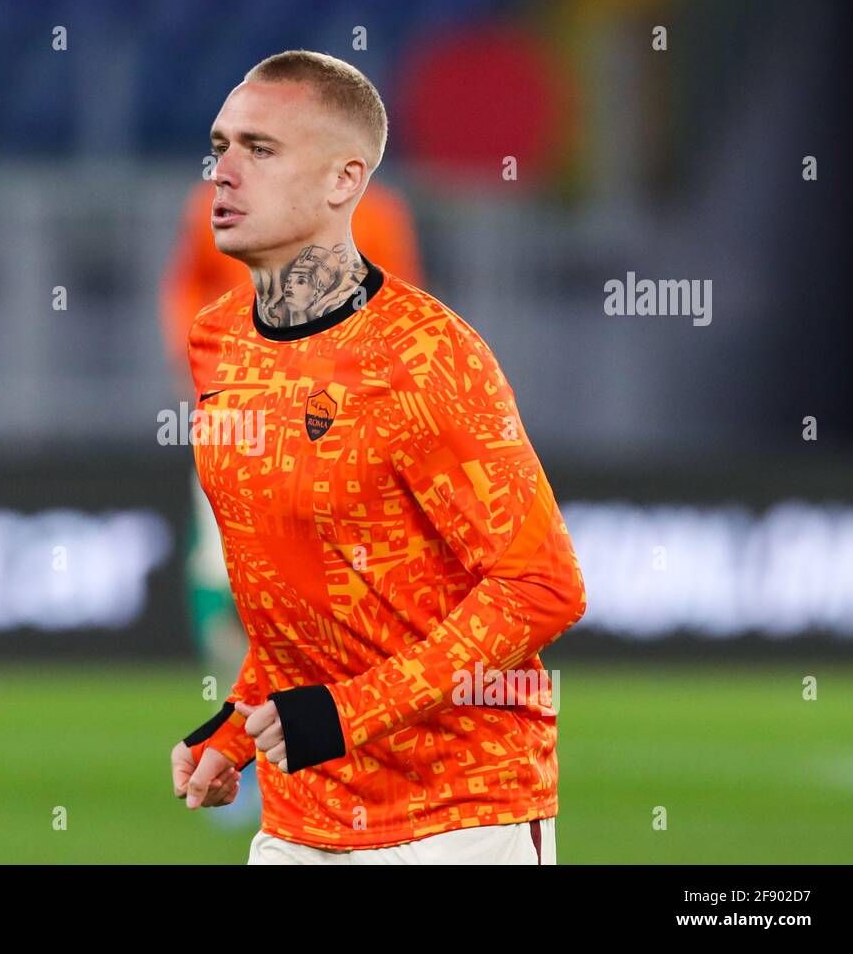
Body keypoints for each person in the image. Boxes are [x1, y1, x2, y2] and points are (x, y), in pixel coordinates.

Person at [168, 50, 586, 864]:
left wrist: (340, 716)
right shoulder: (217, 341)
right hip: (301, 823)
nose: (222, 172)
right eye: (219, 146)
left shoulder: (427, 357)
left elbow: (543, 586)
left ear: (342, 181)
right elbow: (309, 601)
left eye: (259, 149)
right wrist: (238, 728)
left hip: (461, 817)